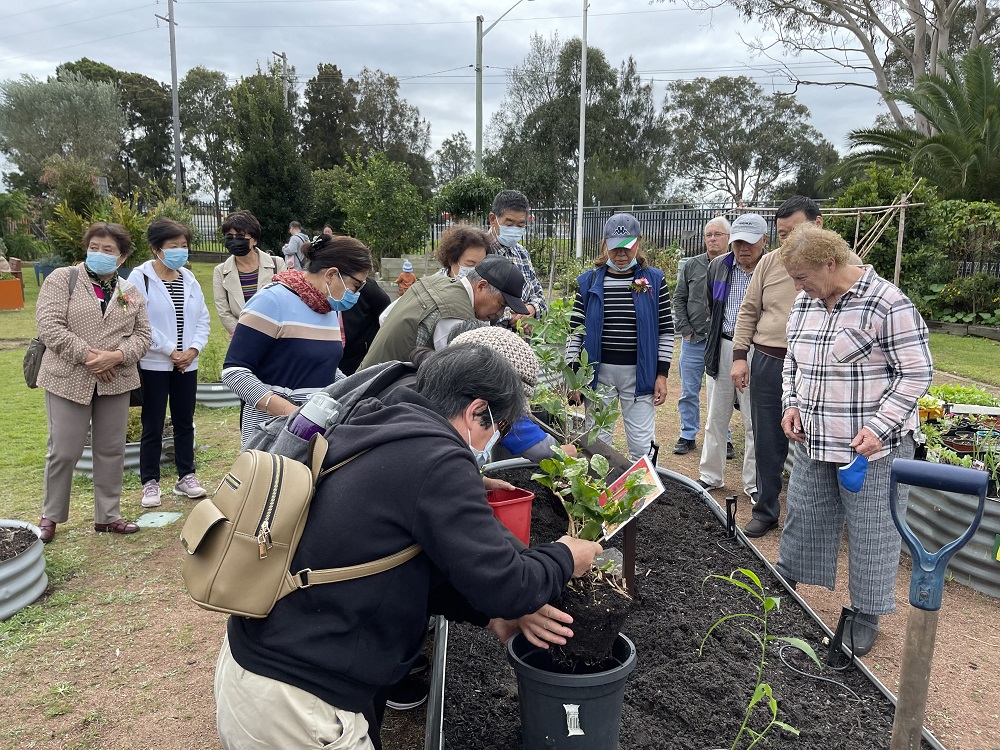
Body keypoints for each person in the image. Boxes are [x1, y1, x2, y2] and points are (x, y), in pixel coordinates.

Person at [214, 344, 603, 750]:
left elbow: (404, 563)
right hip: (299, 704)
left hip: (259, 667)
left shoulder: (380, 421)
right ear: (476, 412)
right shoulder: (436, 457)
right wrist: (565, 555)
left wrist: (491, 619)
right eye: (499, 426)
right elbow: (507, 583)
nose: (496, 440)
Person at [776, 224, 933, 656]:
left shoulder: (887, 303)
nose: (797, 286)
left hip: (872, 449)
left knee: (873, 530)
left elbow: (917, 372)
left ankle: (865, 613)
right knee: (804, 512)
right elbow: (794, 360)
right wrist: (791, 403)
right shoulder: (807, 302)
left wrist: (881, 426)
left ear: (831, 264)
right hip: (815, 438)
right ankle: (785, 584)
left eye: (802, 277)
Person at [34, 222, 152, 542]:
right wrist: (91, 357)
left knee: (111, 449)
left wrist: (117, 356)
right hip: (68, 377)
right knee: (64, 450)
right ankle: (51, 515)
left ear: (122, 256)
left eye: (108, 249)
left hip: (116, 379)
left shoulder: (129, 292)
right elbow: (50, 326)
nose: (99, 253)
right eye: (94, 247)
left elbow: (143, 336)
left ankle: (108, 516)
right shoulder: (63, 279)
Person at [730, 197, 836, 537]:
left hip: (816, 368)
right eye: (782, 234)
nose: (788, 240)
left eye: (795, 231)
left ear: (817, 225)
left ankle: (817, 517)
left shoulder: (838, 264)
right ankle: (765, 509)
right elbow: (748, 311)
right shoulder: (769, 263)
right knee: (766, 439)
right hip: (768, 360)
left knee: (819, 436)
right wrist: (739, 356)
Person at [223, 234, 373, 448]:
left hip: (314, 434)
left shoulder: (328, 308)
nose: (355, 295)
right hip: (271, 434)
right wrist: (293, 414)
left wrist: (354, 391)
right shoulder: (271, 300)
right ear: (331, 274)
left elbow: (325, 367)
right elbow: (234, 372)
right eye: (355, 286)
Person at [565, 213, 673, 462]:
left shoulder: (654, 281)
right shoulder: (588, 282)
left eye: (627, 248)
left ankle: (643, 496)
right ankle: (601, 496)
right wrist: (575, 379)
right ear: (605, 244)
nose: (621, 255)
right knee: (599, 443)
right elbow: (575, 331)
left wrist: (662, 374)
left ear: (638, 243)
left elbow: (666, 330)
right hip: (598, 374)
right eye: (615, 249)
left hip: (639, 375)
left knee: (641, 444)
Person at [132, 218, 212, 507]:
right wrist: (169, 350)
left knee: (184, 421)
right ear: (156, 248)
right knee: (152, 422)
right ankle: (150, 482)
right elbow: (138, 322)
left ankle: (186, 476)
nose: (180, 251)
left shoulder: (189, 279)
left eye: (184, 245)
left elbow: (202, 319)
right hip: (154, 363)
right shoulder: (138, 280)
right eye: (173, 246)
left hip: (186, 364)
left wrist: (193, 349)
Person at [360, 254, 529, 369]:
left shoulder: (436, 281)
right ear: (482, 286)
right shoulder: (455, 315)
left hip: (366, 374)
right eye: (501, 304)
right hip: (379, 396)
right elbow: (449, 376)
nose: (500, 313)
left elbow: (385, 317)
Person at [697, 214, 762, 503]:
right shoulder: (718, 267)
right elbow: (713, 305)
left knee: (754, 419)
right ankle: (710, 475)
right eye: (737, 242)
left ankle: (754, 483)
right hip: (724, 345)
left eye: (749, 242)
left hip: (758, 350)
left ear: (764, 241)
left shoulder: (772, 269)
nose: (742, 248)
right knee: (716, 415)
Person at [672, 217, 731, 457]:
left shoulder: (732, 265)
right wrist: (685, 330)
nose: (713, 238)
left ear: (728, 238)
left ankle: (723, 438)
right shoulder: (691, 265)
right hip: (693, 340)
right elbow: (679, 298)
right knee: (689, 390)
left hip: (721, 341)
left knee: (722, 393)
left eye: (718, 234)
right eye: (709, 234)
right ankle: (688, 434)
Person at [212, 210, 286, 338]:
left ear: (254, 240)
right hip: (241, 339)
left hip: (275, 338)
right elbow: (224, 312)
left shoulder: (277, 265)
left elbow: (286, 303)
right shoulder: (220, 271)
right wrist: (244, 334)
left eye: (240, 237)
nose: (234, 241)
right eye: (229, 236)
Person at [487, 190, 547, 321]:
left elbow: (539, 297)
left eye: (520, 225)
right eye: (509, 224)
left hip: (521, 338)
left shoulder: (522, 254)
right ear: (493, 219)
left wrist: (531, 310)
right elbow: (475, 303)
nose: (514, 229)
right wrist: (511, 316)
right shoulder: (480, 252)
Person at [339, 280, 391, 376]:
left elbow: (386, 317)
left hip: (358, 359)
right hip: (332, 358)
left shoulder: (368, 289)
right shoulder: (324, 288)